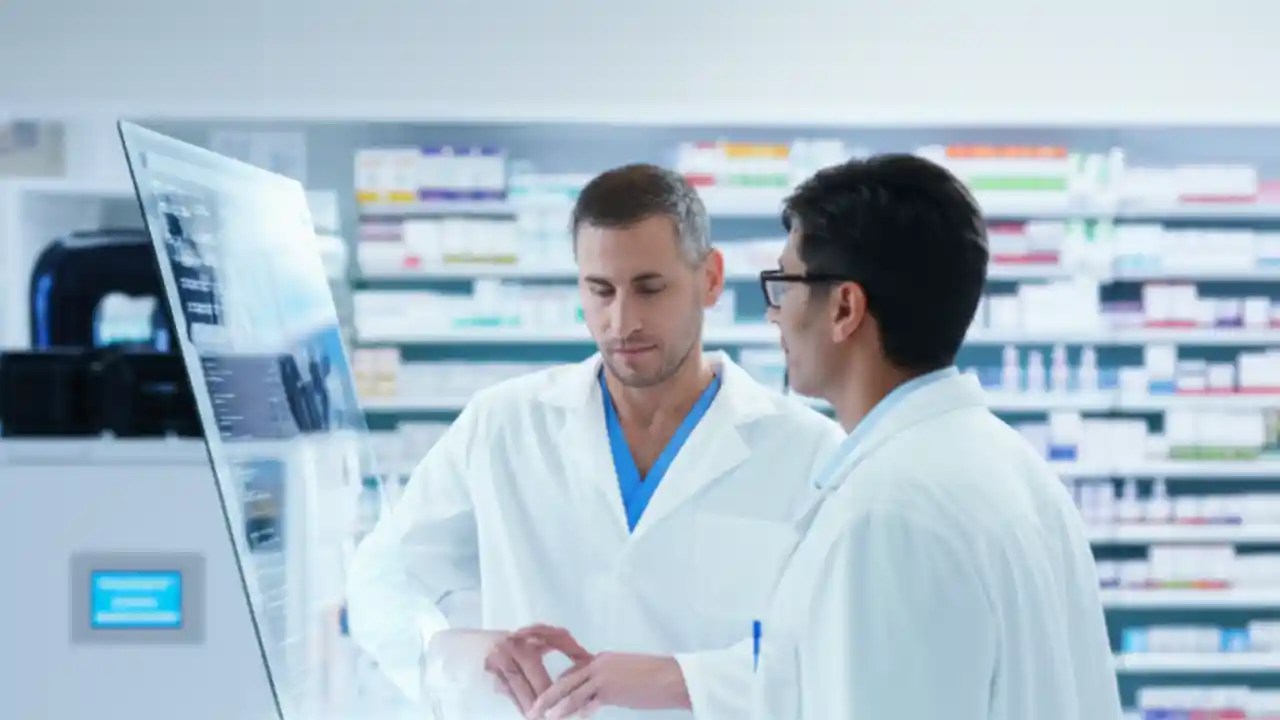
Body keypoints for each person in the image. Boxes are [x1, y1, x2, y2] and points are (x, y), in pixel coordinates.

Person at [346, 163, 844, 720]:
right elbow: (380, 578)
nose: (621, 321)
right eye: (600, 290)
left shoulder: (807, 452)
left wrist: (685, 679)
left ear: (709, 279)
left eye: (650, 289)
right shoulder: (504, 424)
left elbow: (833, 649)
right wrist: (447, 648)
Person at [749, 155, 1123, 720]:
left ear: (845, 307)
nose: (774, 317)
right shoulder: (1009, 462)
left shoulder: (886, 510)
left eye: (785, 286)